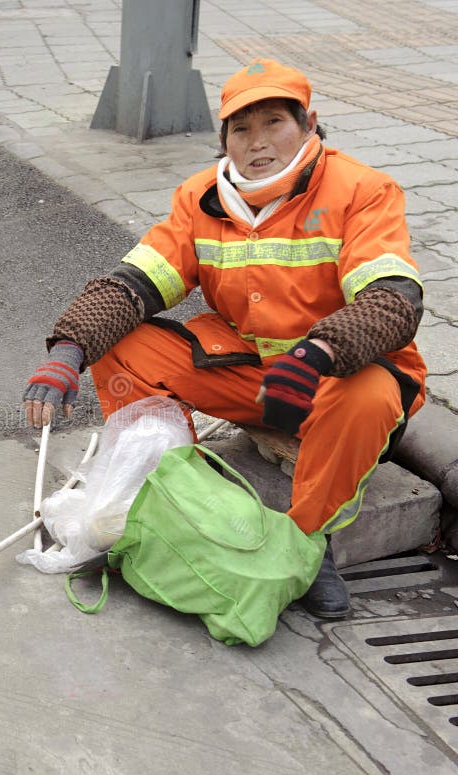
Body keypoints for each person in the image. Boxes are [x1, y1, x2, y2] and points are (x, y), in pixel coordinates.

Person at [22, 58, 427, 620]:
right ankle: (165, 486)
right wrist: (68, 350)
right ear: (224, 139)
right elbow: (135, 282)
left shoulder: (363, 190)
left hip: (333, 376)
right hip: (251, 374)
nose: (258, 143)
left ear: (309, 125)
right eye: (242, 129)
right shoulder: (200, 198)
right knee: (118, 344)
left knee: (368, 397)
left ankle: (308, 545)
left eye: (274, 124)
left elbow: (392, 298)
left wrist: (318, 353)